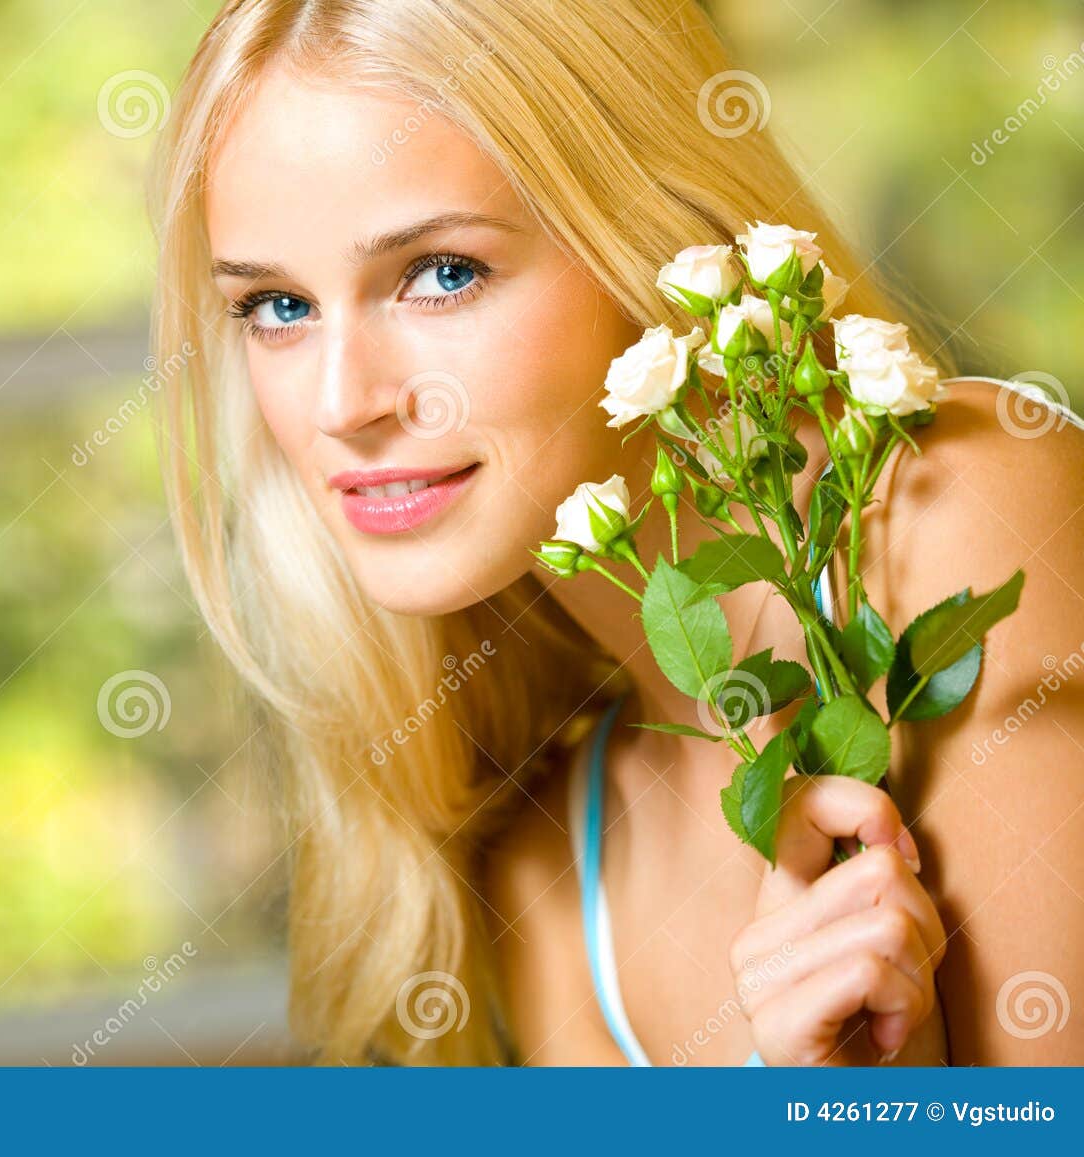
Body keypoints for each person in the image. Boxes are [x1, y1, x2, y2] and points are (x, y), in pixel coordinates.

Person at [149, 0, 1084, 1065]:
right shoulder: (550, 880)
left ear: (647, 237)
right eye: (277, 306)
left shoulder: (963, 503)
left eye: (442, 273)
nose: (340, 404)